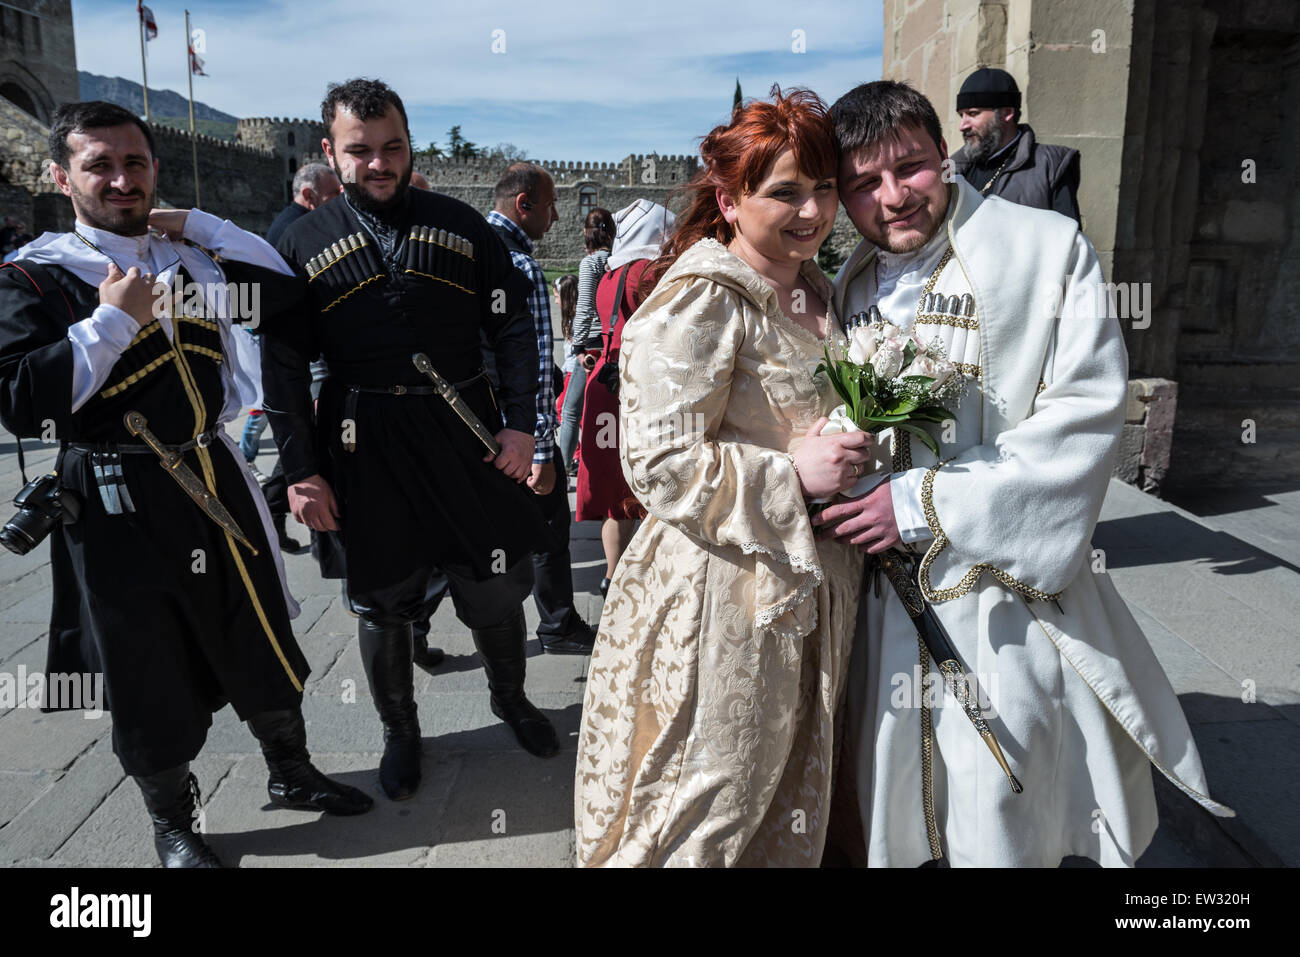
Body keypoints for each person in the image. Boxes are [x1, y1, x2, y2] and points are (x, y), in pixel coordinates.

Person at [817, 80, 1230, 867]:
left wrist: (918, 500)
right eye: (864, 184)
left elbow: (1083, 419)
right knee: (898, 800)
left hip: (1001, 603)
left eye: (909, 167)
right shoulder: (852, 282)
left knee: (999, 803)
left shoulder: (1048, 250)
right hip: (885, 614)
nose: (893, 197)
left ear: (946, 153)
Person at [0, 101, 373, 868]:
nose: (119, 178)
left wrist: (196, 225)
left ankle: (291, 771)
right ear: (60, 174)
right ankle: (173, 820)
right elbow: (17, 401)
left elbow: (286, 295)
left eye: (134, 163)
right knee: (145, 662)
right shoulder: (35, 276)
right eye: (98, 163)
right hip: (114, 497)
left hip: (212, 470)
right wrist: (107, 322)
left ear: (154, 172)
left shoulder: (192, 263)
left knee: (258, 626)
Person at [574, 87, 873, 867]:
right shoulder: (704, 298)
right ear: (730, 199)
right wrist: (792, 475)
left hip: (807, 583)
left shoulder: (816, 289)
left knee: (783, 790)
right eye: (785, 192)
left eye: (825, 189)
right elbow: (661, 462)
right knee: (711, 800)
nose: (813, 211)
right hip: (721, 594)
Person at [261, 79, 560, 803]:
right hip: (362, 442)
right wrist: (301, 469)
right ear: (331, 152)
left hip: (465, 431)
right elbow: (283, 365)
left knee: (494, 585)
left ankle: (511, 699)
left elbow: (515, 325)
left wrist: (524, 423)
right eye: (360, 150)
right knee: (382, 599)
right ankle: (400, 730)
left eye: (392, 146)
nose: (379, 162)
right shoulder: (299, 241)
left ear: (409, 144)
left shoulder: (463, 225)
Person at [485, 163, 599, 655]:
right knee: (550, 528)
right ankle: (557, 626)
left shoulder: (465, 249)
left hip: (474, 421)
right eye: (550, 207)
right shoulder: (521, 265)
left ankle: (412, 625)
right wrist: (541, 446)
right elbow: (529, 360)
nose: (555, 219)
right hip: (520, 430)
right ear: (523, 204)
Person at [573, 199, 675, 594]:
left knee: (616, 489)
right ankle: (644, 576)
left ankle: (612, 575)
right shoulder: (648, 274)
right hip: (639, 383)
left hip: (606, 379)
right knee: (648, 479)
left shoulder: (611, 274)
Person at [950, 67, 1081, 222]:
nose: (962, 126)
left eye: (973, 113)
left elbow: (1068, 239)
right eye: (961, 115)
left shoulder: (1051, 165)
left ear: (1007, 113)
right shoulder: (953, 170)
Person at [556, 208, 614, 474]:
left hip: (591, 343)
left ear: (587, 235)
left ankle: (562, 468)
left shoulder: (591, 263)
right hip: (614, 340)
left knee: (570, 410)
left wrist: (577, 346)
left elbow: (585, 307)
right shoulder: (620, 260)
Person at [266, 162, 342, 247]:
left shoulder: (291, 221)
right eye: (335, 193)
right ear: (309, 195)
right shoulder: (296, 231)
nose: (340, 198)